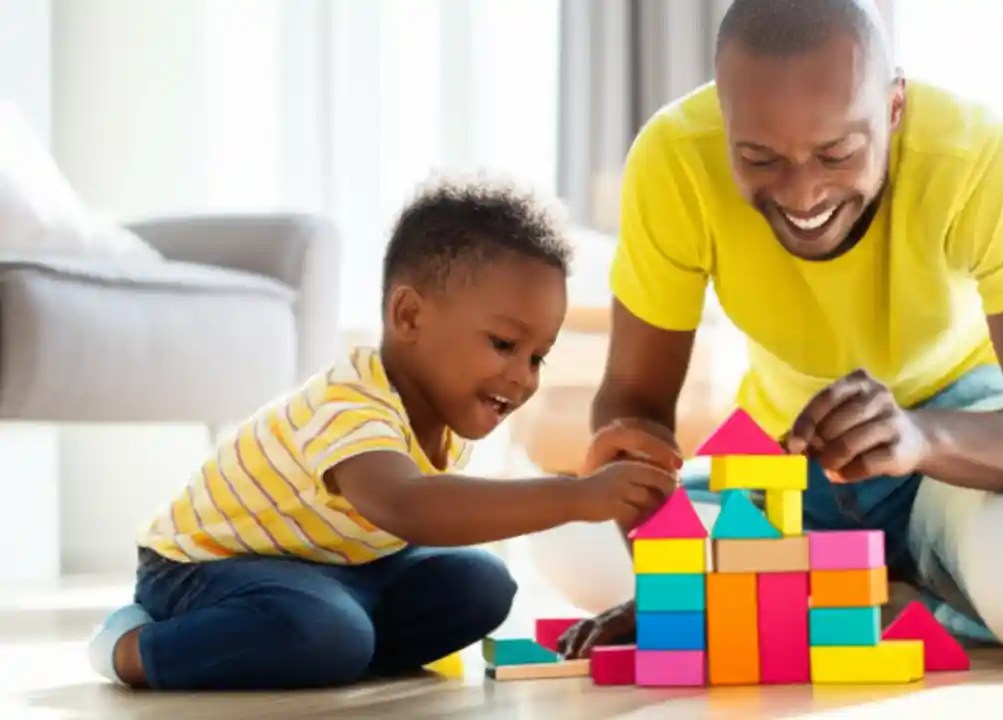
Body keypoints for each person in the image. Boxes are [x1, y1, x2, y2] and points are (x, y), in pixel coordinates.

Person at [553, 0, 1003, 667]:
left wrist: (920, 436)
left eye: (837, 152)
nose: (802, 194)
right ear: (724, 115)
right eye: (759, 158)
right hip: (789, 467)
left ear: (894, 106)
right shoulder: (675, 157)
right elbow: (633, 403)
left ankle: (905, 594)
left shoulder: (979, 160)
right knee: (578, 546)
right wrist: (672, 583)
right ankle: (911, 597)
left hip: (967, 445)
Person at [86, 177, 680, 690]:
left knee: (483, 585)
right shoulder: (349, 404)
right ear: (409, 316)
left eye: (537, 357)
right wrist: (575, 497)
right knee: (326, 629)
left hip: (336, 568)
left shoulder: (442, 408)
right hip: (203, 569)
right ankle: (134, 649)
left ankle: (336, 650)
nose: (522, 378)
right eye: (504, 344)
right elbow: (409, 505)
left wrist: (588, 487)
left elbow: (442, 519)